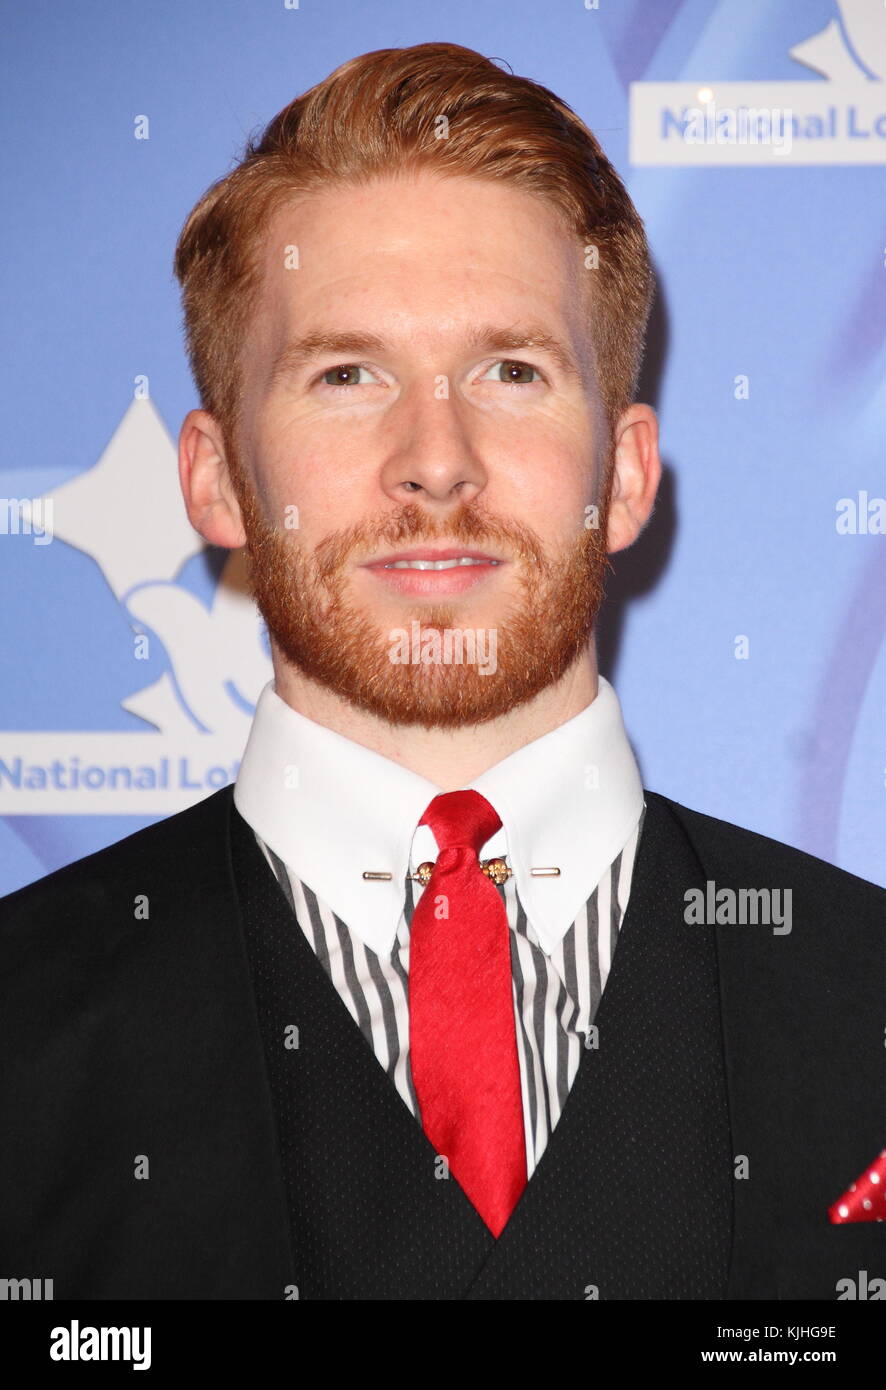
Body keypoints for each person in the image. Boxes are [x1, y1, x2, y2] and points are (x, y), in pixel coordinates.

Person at [2, 41, 884, 1302]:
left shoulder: (867, 1004)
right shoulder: (22, 1031)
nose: (436, 459)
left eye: (511, 371)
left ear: (625, 475)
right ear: (212, 477)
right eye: (346, 375)